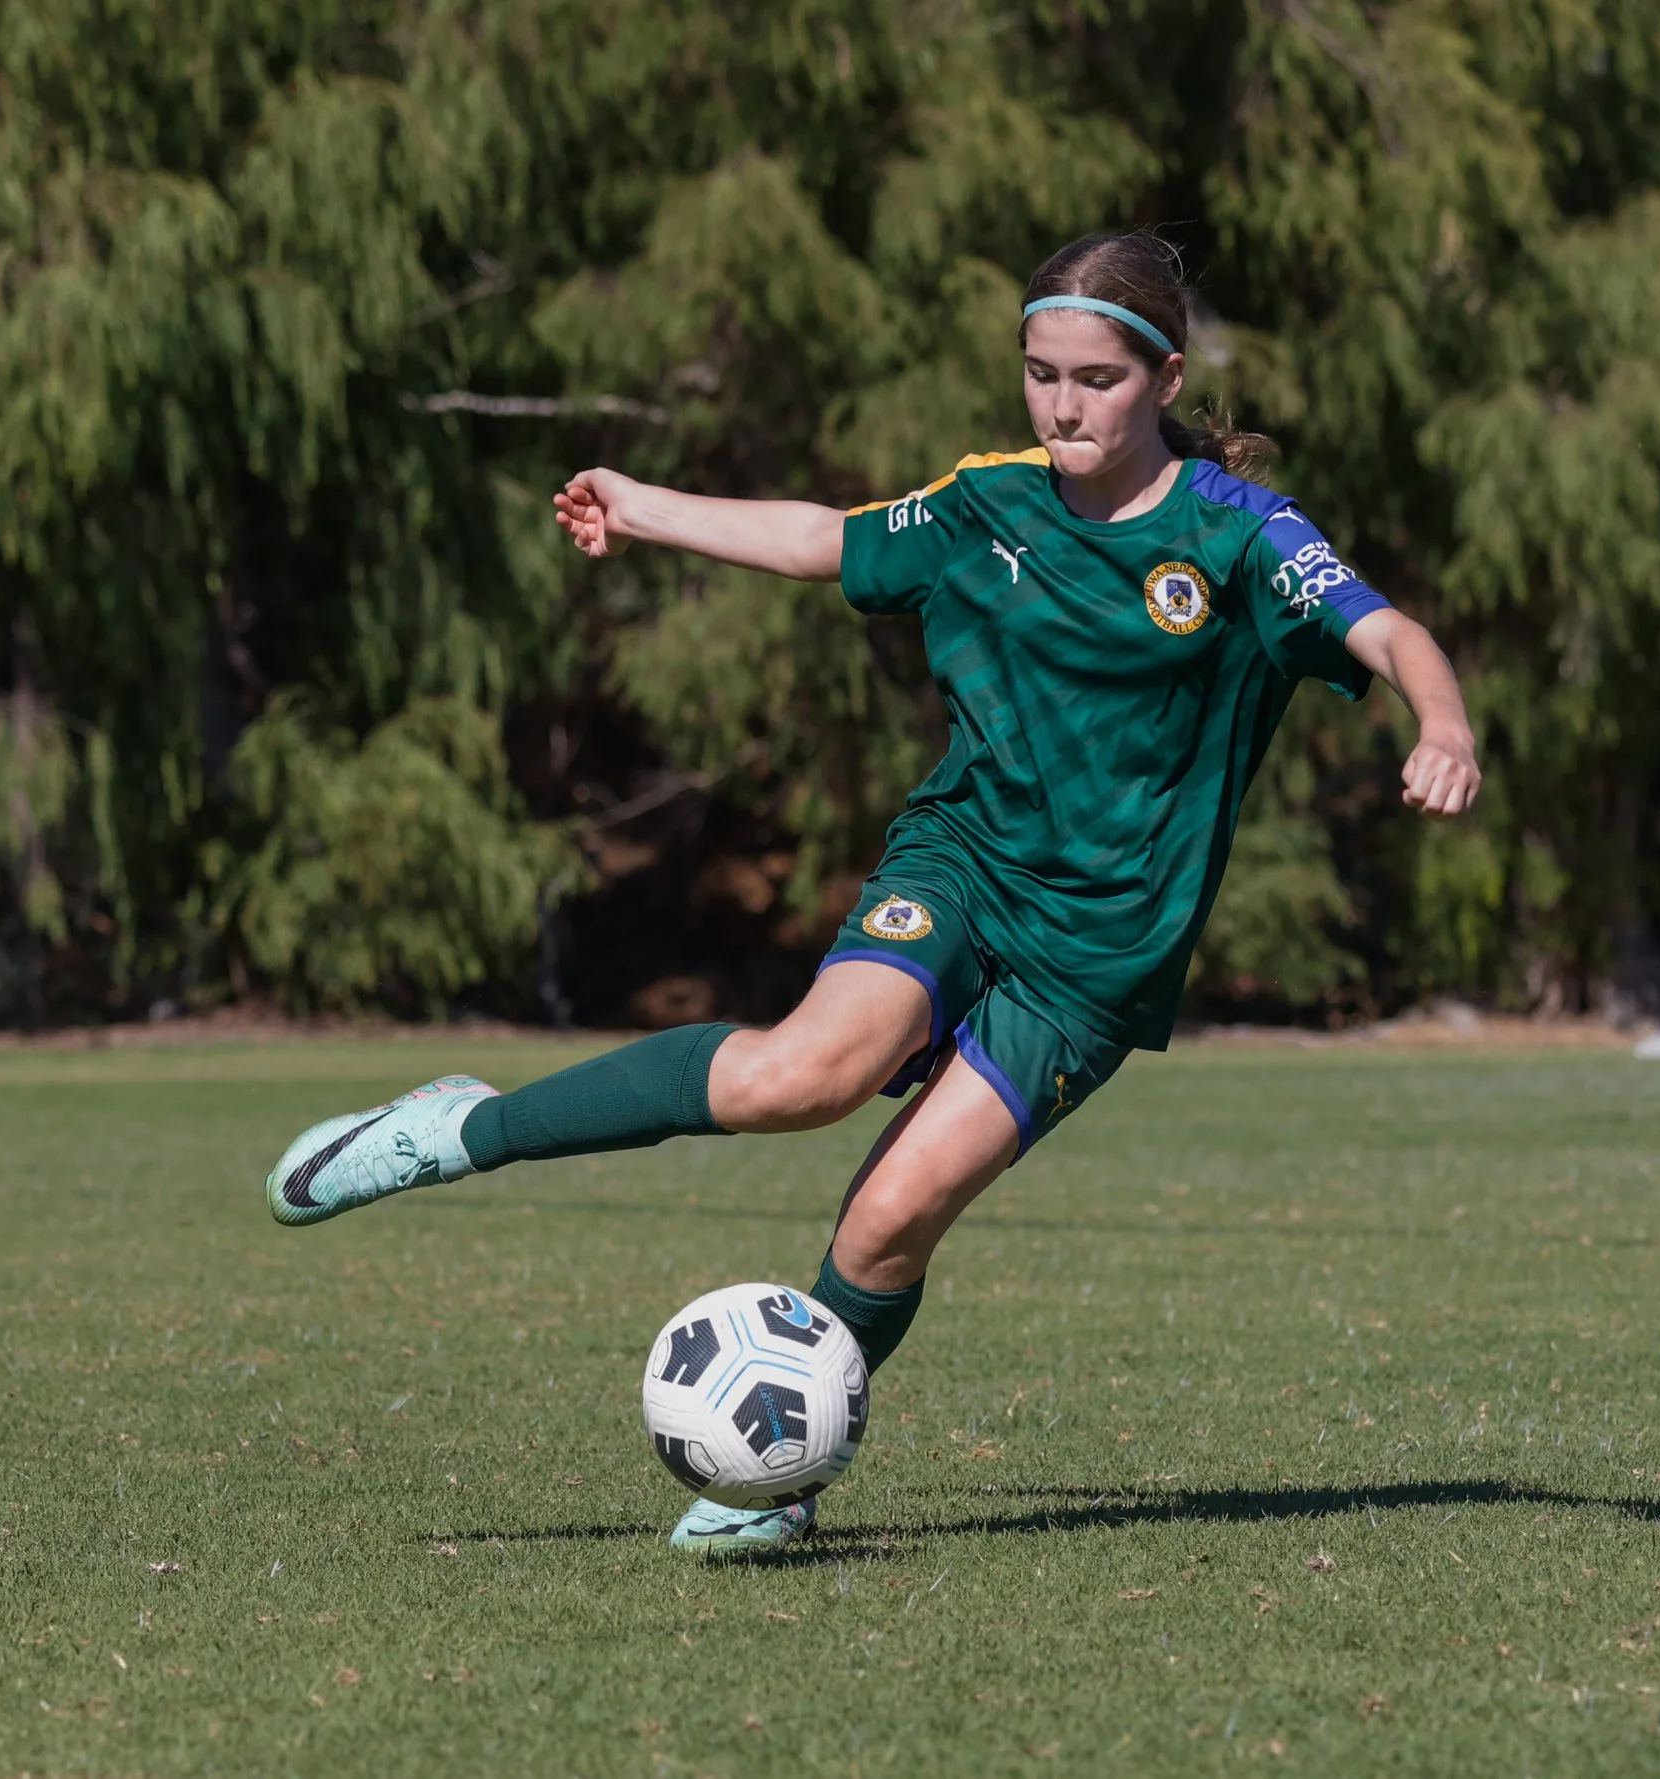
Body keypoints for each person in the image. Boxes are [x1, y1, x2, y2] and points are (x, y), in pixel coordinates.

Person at [261, 232, 1481, 1556]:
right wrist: (641, 501)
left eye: (1097, 380)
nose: (1064, 407)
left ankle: (776, 1470)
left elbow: (1389, 631)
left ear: (1167, 379)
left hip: (1097, 958)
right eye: (1040, 374)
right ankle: (461, 1127)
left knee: (895, 1220)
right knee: (803, 1075)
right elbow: (825, 539)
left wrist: (1442, 722)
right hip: (964, 861)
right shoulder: (988, 503)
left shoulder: (1242, 537)